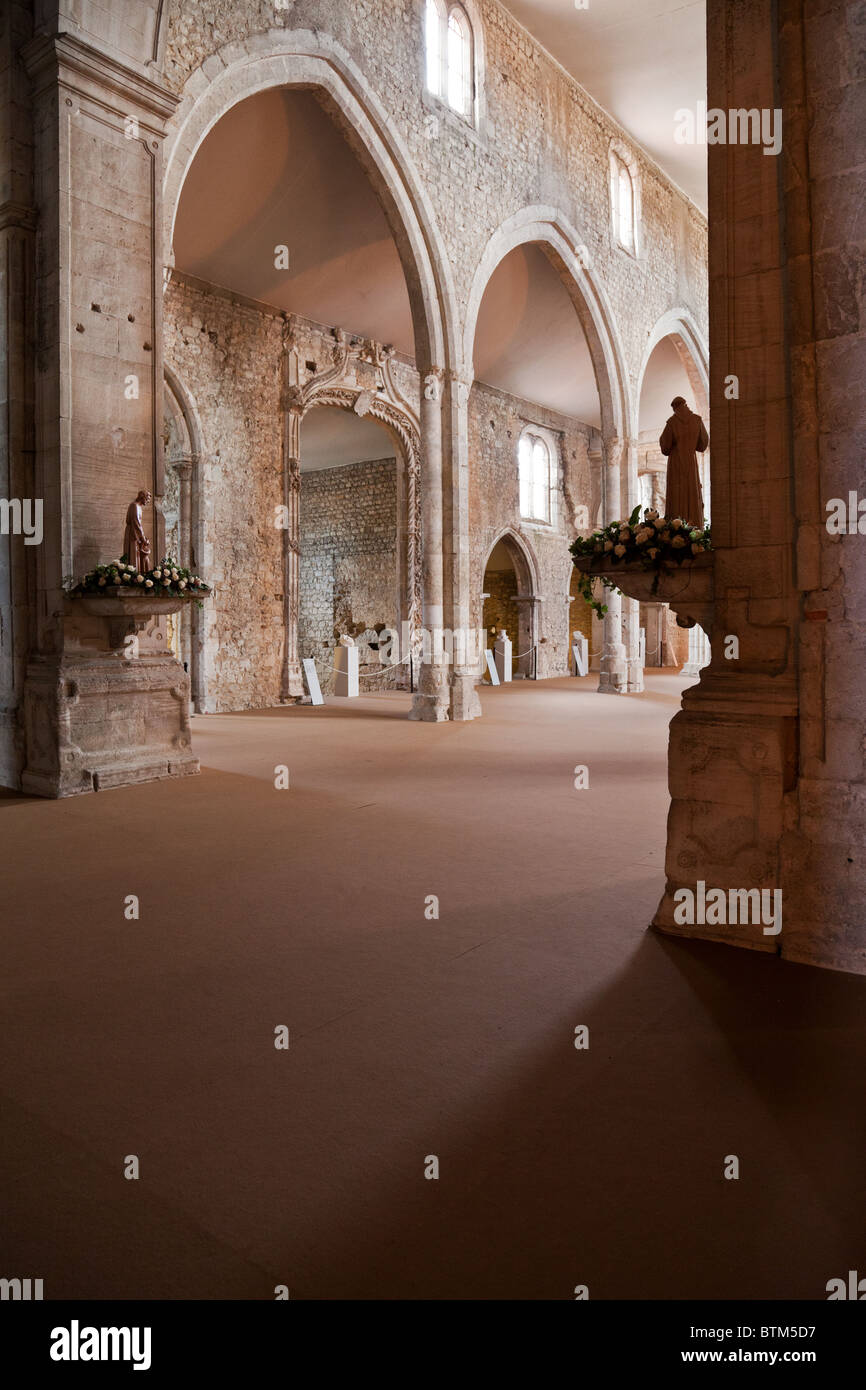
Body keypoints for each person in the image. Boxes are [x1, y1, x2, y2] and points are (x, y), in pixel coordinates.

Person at [660, 396, 708, 527]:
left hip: (676, 464)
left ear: (675, 408)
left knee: (676, 498)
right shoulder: (697, 420)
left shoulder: (672, 422)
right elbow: (703, 445)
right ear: (685, 405)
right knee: (692, 494)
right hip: (691, 464)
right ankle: (695, 530)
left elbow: (665, 447)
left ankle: (677, 529)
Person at [123, 489, 152, 573]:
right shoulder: (134, 506)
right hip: (132, 532)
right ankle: (132, 574)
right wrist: (142, 537)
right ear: (142, 497)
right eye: (147, 499)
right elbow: (136, 523)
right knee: (133, 554)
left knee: (138, 554)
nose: (148, 501)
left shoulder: (139, 507)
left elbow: (138, 524)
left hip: (136, 532)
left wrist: (142, 537)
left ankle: (138, 574)